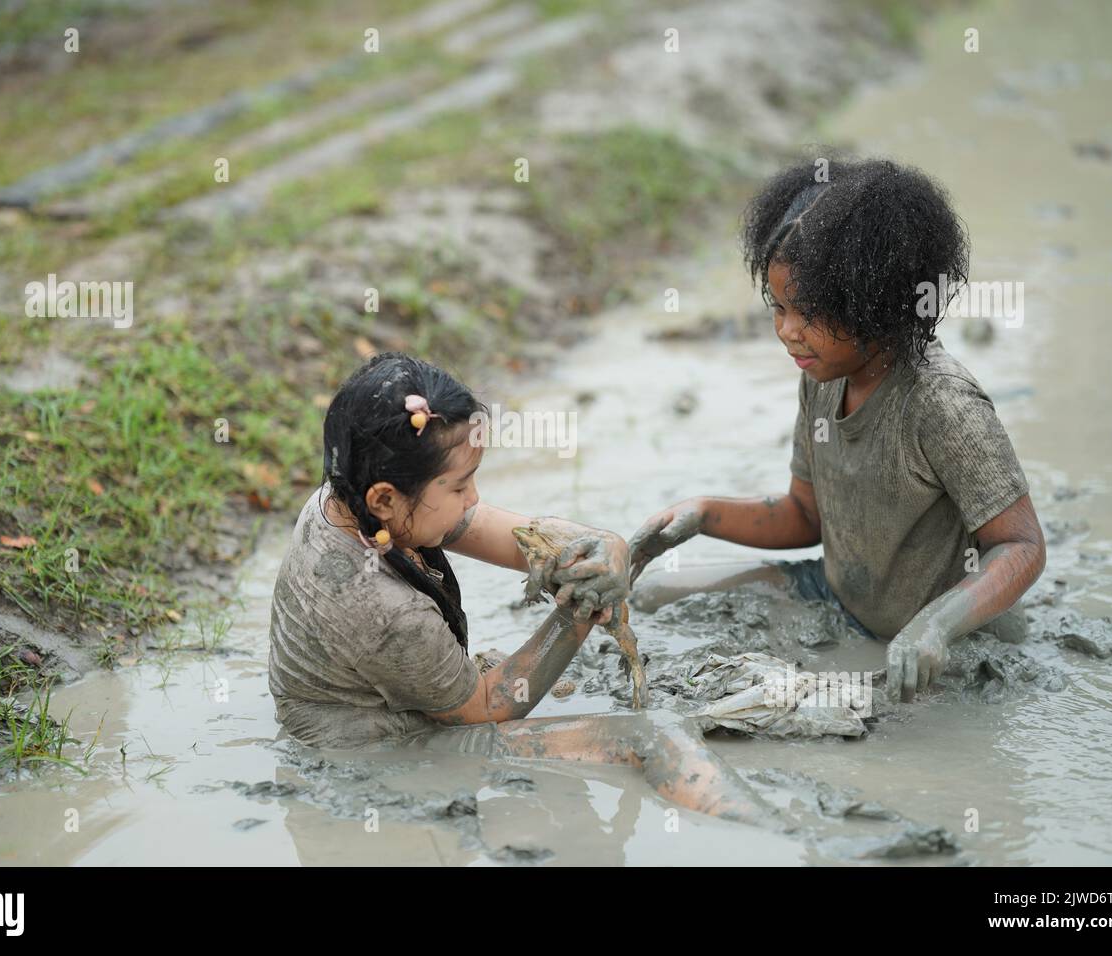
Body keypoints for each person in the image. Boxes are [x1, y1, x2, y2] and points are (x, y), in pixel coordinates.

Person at [268, 352, 776, 826]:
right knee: (653, 737)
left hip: (388, 704)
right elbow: (486, 709)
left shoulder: (350, 495)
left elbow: (517, 537)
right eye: (461, 484)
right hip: (382, 759)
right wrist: (581, 607)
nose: (475, 497)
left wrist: (601, 545)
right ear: (384, 498)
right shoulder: (379, 605)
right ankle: (775, 836)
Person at [626, 158, 1047, 703]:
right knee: (657, 595)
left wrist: (937, 626)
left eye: (808, 313)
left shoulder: (942, 405)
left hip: (950, 638)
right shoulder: (823, 376)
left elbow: (1022, 545)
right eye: (777, 308)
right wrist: (702, 514)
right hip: (836, 594)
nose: (787, 332)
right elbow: (804, 517)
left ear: (875, 304)